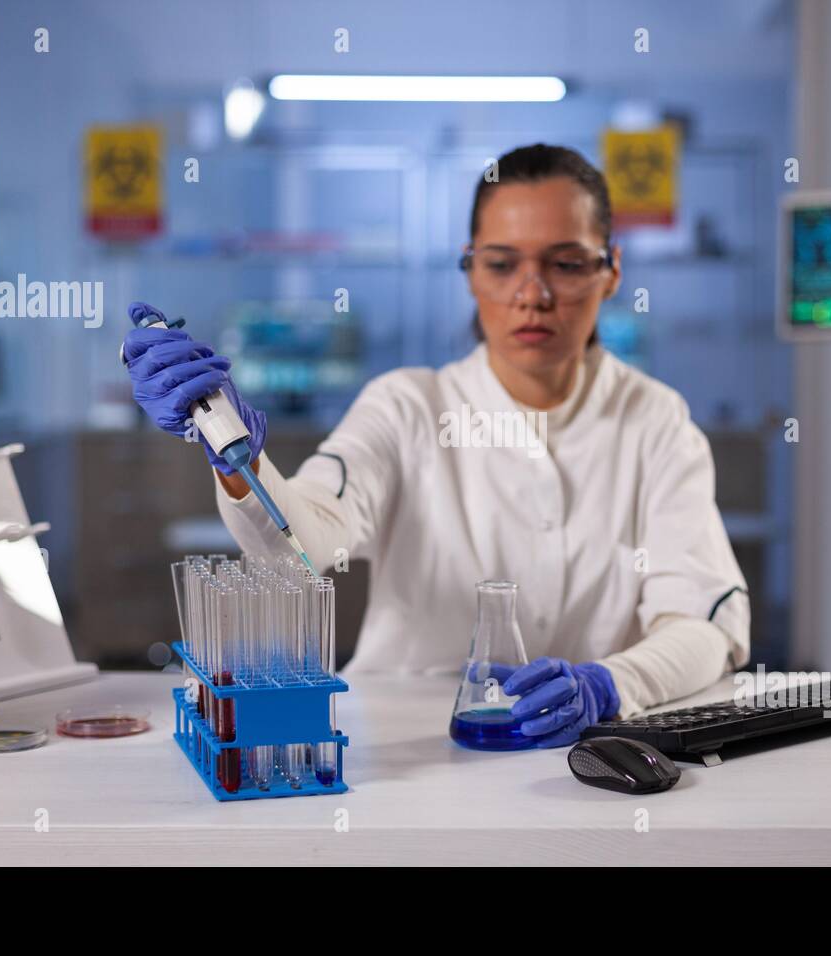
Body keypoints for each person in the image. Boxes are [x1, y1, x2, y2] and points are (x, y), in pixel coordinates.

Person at [122, 143, 749, 747]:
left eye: (565, 262)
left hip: (579, 761)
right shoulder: (407, 407)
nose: (533, 293)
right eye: (502, 264)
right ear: (469, 269)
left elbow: (701, 624)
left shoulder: (656, 422)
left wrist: (611, 685)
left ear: (611, 271)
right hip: (396, 753)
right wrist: (241, 462)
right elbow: (305, 551)